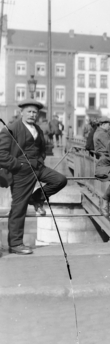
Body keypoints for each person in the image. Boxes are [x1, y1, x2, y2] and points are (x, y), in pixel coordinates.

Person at [0, 100, 68, 255]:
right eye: (29, 111)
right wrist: (18, 165)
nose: (32, 115)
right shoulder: (11, 128)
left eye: (35, 112)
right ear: (21, 112)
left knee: (60, 180)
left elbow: (42, 148)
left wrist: (40, 160)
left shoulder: (37, 128)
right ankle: (16, 244)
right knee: (19, 207)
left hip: (38, 166)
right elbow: (1, 154)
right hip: (21, 172)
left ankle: (36, 197)